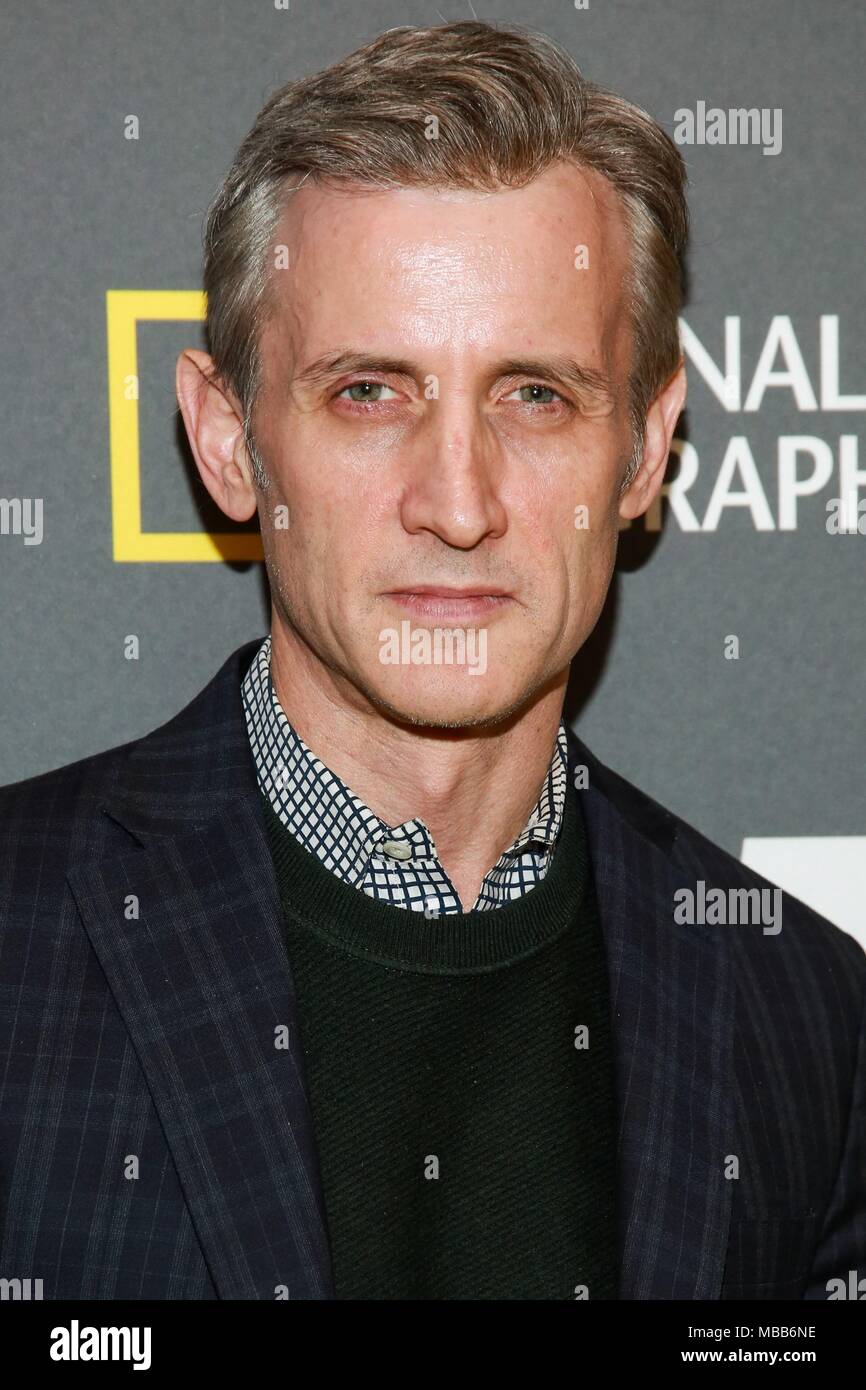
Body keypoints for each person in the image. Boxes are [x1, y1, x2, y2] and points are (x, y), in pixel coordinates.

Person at [1, 21, 863, 1301]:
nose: (457, 503)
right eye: (368, 392)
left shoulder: (804, 1013)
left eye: (534, 395)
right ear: (228, 439)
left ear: (641, 451)